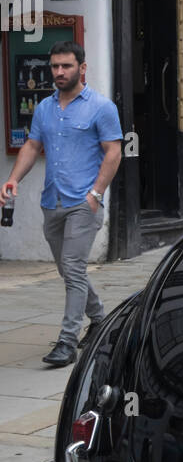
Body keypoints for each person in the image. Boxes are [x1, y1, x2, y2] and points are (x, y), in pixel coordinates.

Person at [0, 41, 122, 367]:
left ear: (82, 68)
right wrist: (13, 179)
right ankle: (100, 320)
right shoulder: (44, 108)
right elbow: (31, 145)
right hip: (51, 201)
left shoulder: (101, 107)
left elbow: (114, 152)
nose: (58, 72)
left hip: (84, 201)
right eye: (54, 66)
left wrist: (96, 194)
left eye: (66, 66)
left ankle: (67, 342)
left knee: (73, 268)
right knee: (69, 271)